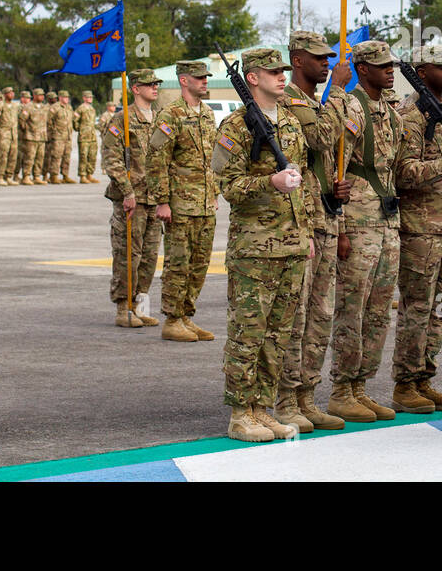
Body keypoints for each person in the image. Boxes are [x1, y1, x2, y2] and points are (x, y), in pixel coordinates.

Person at [215, 48, 310, 442]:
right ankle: (240, 413)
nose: (281, 76)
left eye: (283, 70)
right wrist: (268, 182)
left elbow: (302, 180)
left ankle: (262, 408)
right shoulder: (235, 126)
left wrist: (307, 235)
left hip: (291, 244)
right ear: (251, 77)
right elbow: (228, 186)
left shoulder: (288, 119)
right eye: (272, 71)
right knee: (248, 333)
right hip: (255, 248)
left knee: (278, 334)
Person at [326, 40, 406, 423]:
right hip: (358, 219)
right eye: (381, 65)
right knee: (352, 309)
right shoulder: (352, 107)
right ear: (362, 69)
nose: (389, 70)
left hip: (387, 219)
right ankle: (342, 389)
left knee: (378, 311)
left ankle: (361, 386)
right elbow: (335, 167)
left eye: (391, 64)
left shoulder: (389, 109)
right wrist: (340, 228)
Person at [275, 31, 352, 432]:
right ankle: (286, 398)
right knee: (297, 314)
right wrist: (338, 89)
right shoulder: (289, 101)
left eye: (329, 59)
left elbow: (322, 154)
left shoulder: (315, 104)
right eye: (319, 58)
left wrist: (334, 187)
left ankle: (308, 394)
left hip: (325, 216)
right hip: (301, 223)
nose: (327, 64)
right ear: (297, 60)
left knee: (320, 315)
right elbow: (322, 135)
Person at [390, 44, 442, 414]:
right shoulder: (409, 115)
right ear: (421, 73)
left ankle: (426, 377)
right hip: (420, 228)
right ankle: (405, 384)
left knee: (440, 306)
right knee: (416, 308)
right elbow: (402, 174)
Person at [147, 61, 218, 343]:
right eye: (199, 78)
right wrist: (162, 201)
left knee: (200, 264)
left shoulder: (208, 114)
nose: (205, 82)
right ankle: (172, 319)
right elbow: (157, 159)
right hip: (179, 203)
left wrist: (214, 194)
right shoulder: (170, 114)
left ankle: (187, 315)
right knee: (178, 263)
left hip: (204, 202)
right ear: (184, 80)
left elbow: (213, 158)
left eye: (206, 78)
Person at [101, 69, 164, 329]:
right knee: (128, 254)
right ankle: (122, 307)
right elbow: (111, 158)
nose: (155, 88)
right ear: (135, 88)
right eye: (149, 85)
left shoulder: (160, 118)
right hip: (132, 198)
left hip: (153, 197)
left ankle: (139, 305)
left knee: (149, 256)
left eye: (156, 84)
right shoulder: (122, 119)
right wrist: (127, 191)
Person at [0, 87, 17, 186]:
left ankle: (8, 176)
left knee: (12, 156)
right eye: (10, 93)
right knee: (2, 156)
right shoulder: (0, 105)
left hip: (13, 134)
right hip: (3, 134)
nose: (12, 94)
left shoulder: (14, 105)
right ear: (5, 94)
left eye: (12, 92)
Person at [20, 88, 48, 184]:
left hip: (42, 136)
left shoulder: (44, 107)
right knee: (29, 157)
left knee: (40, 158)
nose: (42, 97)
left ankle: (37, 176)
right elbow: (22, 120)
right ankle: (26, 176)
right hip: (31, 137)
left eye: (43, 95)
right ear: (35, 96)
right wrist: (28, 130)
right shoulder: (28, 107)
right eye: (40, 95)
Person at [75, 90, 99, 183]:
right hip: (84, 136)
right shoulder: (80, 108)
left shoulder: (92, 109)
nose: (90, 99)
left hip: (92, 136)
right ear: (84, 98)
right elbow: (75, 120)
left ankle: (89, 174)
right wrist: (80, 129)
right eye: (88, 97)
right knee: (83, 156)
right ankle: (82, 175)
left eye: (91, 97)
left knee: (92, 155)